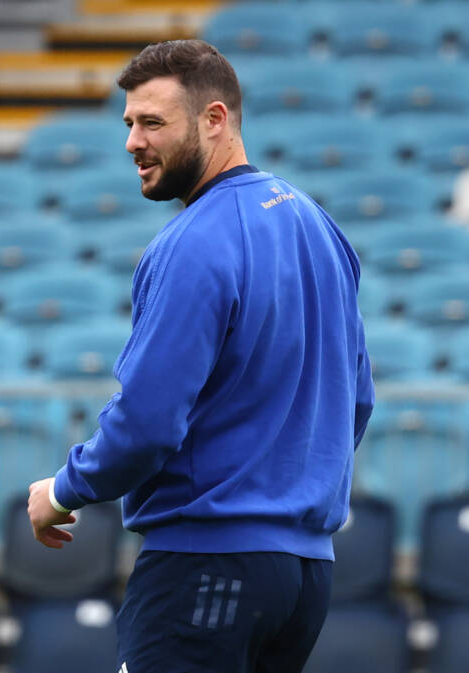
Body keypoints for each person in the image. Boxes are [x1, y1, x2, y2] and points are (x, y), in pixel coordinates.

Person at [27, 40, 374, 673]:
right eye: (129, 123)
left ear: (215, 119)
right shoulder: (321, 228)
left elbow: (146, 426)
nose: (132, 141)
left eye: (152, 122)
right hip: (305, 579)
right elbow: (356, 403)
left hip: (205, 568)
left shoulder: (193, 243)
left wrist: (64, 489)